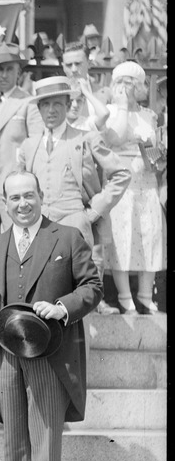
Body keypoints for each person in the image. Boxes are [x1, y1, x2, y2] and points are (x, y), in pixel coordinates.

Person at [0, 170, 102, 461]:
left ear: (41, 196)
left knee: (44, 431)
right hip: (6, 355)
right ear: (5, 202)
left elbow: (93, 285)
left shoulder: (67, 238)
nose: (23, 204)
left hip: (49, 353)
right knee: (14, 433)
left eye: (29, 196)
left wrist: (63, 307)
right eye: (15, 198)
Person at [16, 76, 130, 314]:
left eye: (58, 103)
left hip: (74, 228)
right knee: (40, 302)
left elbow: (121, 173)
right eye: (45, 105)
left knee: (77, 302)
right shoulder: (29, 146)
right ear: (38, 109)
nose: (51, 110)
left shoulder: (85, 139)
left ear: (68, 106)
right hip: (39, 231)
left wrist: (94, 211)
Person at [101, 62, 165, 313]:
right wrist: (123, 107)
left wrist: (155, 150)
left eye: (131, 82)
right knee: (122, 237)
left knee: (149, 236)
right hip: (121, 182)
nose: (126, 87)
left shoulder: (149, 115)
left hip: (146, 181)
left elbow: (157, 157)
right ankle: (125, 295)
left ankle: (145, 295)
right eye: (122, 81)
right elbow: (114, 138)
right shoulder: (110, 111)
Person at [0, 43, 43, 230]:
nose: (4, 75)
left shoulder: (27, 103)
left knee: (16, 233)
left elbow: (36, 146)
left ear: (19, 72)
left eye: (10, 69)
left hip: (13, 182)